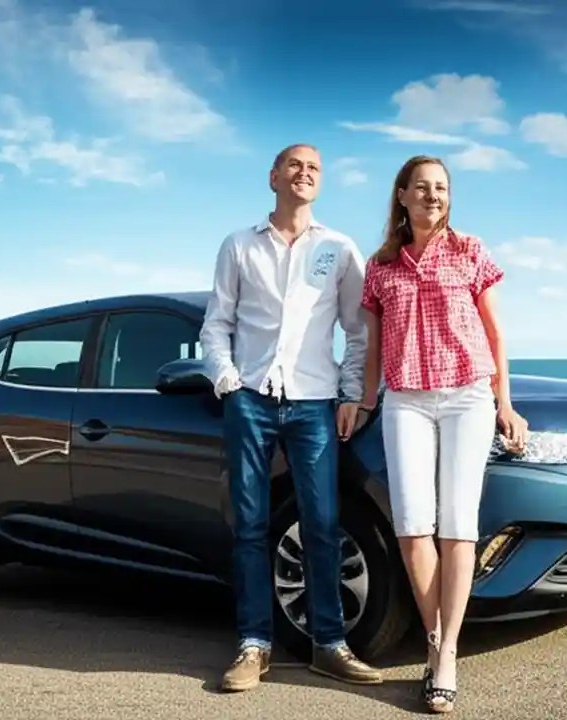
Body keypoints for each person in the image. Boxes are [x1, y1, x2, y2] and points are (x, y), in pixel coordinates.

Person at [199, 143, 382, 692]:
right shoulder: (238, 245)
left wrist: (352, 393)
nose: (305, 173)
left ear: (319, 183)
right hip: (250, 400)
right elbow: (216, 324)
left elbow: (358, 330)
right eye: (295, 165)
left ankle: (330, 645)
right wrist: (229, 383)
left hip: (314, 403)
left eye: (315, 168)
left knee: (322, 525)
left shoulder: (339, 248)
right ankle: (253, 646)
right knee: (250, 527)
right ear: (273, 176)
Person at [358, 155, 528, 713]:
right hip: (405, 400)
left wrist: (506, 403)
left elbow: (495, 333)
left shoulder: (471, 251)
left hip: (467, 398)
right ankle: (435, 639)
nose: (434, 196)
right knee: (412, 528)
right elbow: (373, 348)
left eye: (442, 188)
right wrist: (360, 402)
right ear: (401, 195)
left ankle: (445, 652)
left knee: (458, 525)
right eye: (423, 188)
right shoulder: (380, 266)